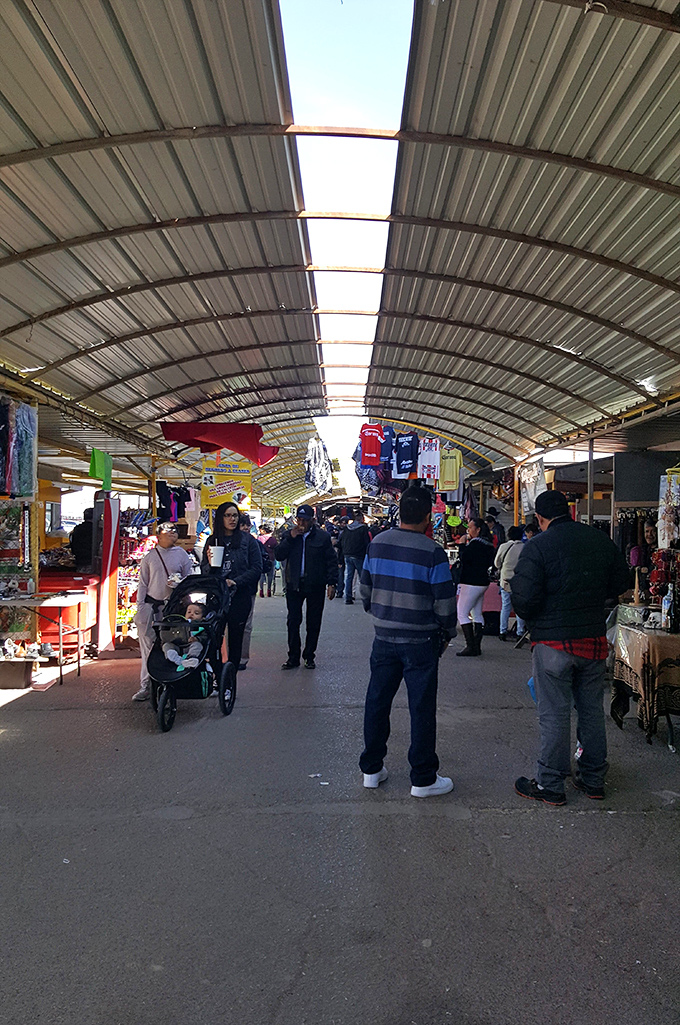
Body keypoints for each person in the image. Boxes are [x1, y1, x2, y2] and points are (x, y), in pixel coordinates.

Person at [510, 490, 630, 805]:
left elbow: (523, 601)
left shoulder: (537, 547)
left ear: (539, 518)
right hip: (592, 641)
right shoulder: (599, 541)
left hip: (552, 644)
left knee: (554, 713)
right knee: (591, 711)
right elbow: (621, 585)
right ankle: (592, 780)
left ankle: (550, 784)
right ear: (570, 512)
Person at [358, 486, 457, 798]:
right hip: (421, 641)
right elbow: (444, 602)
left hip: (384, 638)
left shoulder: (378, 545)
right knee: (421, 708)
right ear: (428, 517)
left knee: (377, 701)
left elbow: (365, 590)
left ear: (399, 513)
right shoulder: (433, 552)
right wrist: (447, 633)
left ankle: (372, 770)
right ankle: (423, 778)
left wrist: (381, 611)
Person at [132, 523, 194, 701]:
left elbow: (188, 580)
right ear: (158, 536)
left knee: (172, 645)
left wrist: (179, 586)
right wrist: (141, 607)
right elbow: (143, 584)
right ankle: (146, 685)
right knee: (147, 647)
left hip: (173, 609)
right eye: (169, 530)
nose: (173, 533)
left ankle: (173, 682)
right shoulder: (150, 556)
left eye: (175, 530)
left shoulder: (182, 555)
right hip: (151, 607)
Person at [200, 502, 262, 676]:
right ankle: (217, 675)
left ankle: (230, 680)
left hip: (239, 596)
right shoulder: (212, 540)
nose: (232, 519)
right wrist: (210, 563)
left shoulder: (248, 541)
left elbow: (256, 568)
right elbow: (204, 569)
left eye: (235, 515)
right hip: (217, 597)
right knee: (214, 637)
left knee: (235, 638)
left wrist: (236, 582)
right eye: (227, 515)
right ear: (221, 518)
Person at [275, 504, 338, 669]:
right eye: (299, 519)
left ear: (313, 520)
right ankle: (293, 657)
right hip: (294, 584)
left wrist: (332, 583)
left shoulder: (322, 537)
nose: (301, 523)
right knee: (293, 621)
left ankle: (309, 656)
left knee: (314, 622)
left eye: (305, 520)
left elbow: (331, 561)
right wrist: (290, 537)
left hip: (315, 585)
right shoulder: (289, 535)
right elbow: (279, 554)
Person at [456, 518, 495, 656]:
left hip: (470, 582)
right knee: (477, 613)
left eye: (471, 527)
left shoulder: (474, 545)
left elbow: (464, 558)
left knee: (462, 613)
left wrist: (461, 545)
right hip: (483, 582)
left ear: (478, 530)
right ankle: (476, 645)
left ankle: (470, 645)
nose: (468, 530)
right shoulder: (489, 545)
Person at [495, 525, 526, 640]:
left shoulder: (504, 546)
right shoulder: (525, 547)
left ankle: (502, 631)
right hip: (520, 580)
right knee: (519, 608)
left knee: (506, 606)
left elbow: (497, 563)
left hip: (506, 580)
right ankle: (520, 632)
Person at [339, 509, 371, 604]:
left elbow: (342, 542)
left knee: (349, 576)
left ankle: (348, 597)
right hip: (359, 556)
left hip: (347, 555)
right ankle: (366, 598)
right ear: (361, 518)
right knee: (363, 577)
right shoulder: (363, 529)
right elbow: (366, 543)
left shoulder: (347, 528)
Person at [162, 602, 205, 671]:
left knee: (197, 645)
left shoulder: (202, 627)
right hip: (178, 646)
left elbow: (205, 637)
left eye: (196, 613)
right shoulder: (180, 624)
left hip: (190, 646)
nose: (191, 614)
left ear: (202, 618)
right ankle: (174, 656)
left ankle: (191, 659)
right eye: (189, 612)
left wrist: (197, 638)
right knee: (166, 645)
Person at [70, 507, 94, 572]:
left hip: (79, 559)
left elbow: (72, 542)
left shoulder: (77, 528)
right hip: (91, 560)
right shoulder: (95, 530)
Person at [258, 524, 278, 597]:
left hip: (261, 559)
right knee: (270, 575)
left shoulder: (260, 538)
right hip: (271, 558)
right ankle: (269, 590)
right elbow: (276, 549)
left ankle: (261, 591)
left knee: (262, 575)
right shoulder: (273, 539)